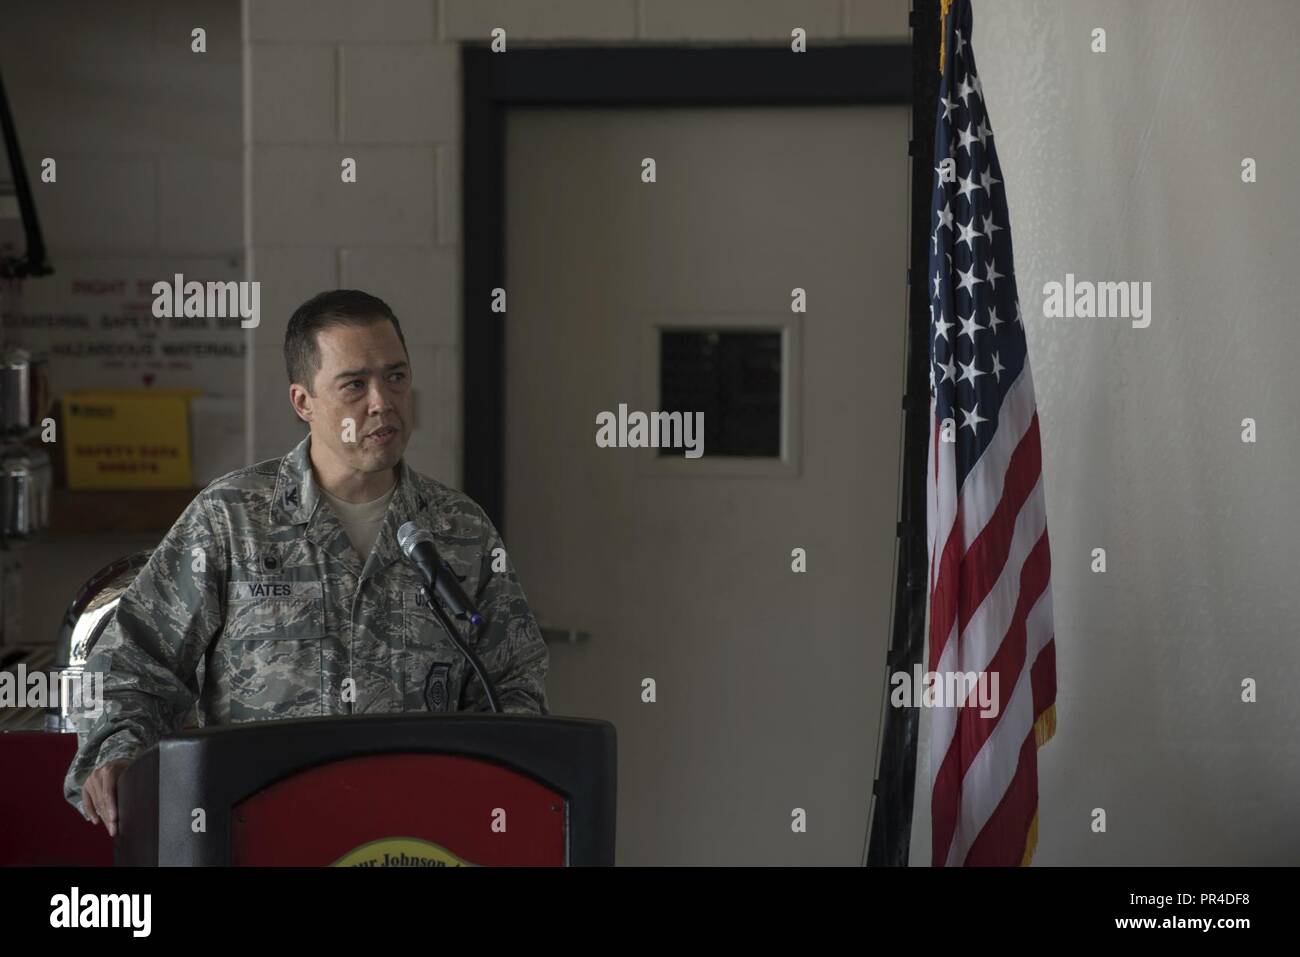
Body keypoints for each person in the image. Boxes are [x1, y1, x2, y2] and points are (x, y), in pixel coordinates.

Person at [64, 289, 549, 835]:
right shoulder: (232, 521)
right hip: (264, 832)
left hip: (416, 837)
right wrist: (120, 754)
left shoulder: (459, 530)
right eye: (354, 385)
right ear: (303, 402)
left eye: (396, 376)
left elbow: (513, 682)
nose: (382, 402)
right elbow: (134, 661)